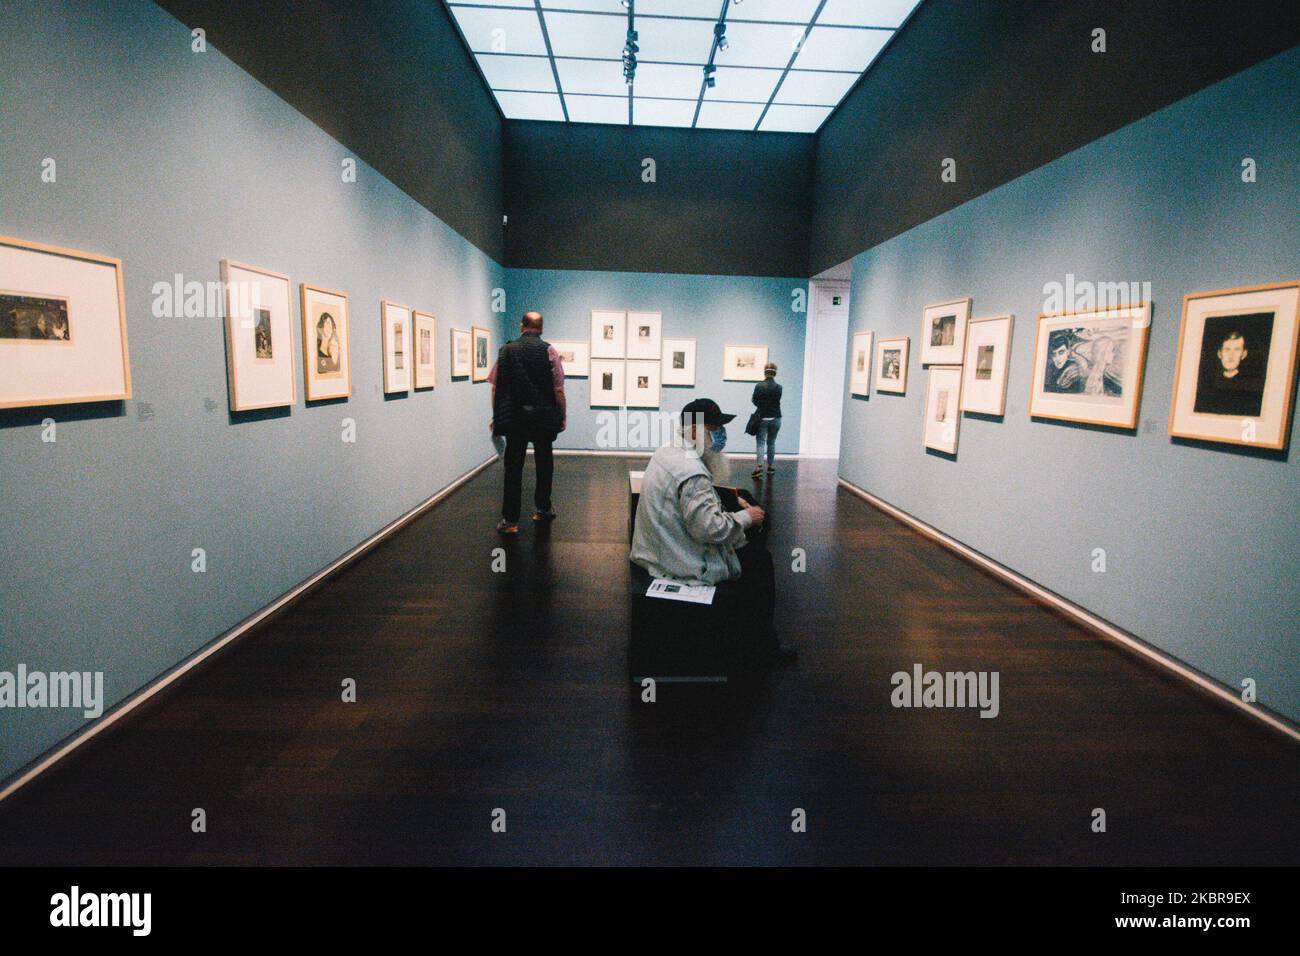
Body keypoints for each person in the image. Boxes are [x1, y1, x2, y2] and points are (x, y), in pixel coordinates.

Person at [630, 398, 794, 664]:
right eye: (714, 428)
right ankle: (762, 645)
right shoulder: (693, 471)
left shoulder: (669, 451)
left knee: (743, 509)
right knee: (760, 561)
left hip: (654, 547)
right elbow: (710, 529)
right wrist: (746, 517)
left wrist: (728, 501)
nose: (720, 435)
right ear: (694, 430)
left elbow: (688, 497)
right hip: (676, 559)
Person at [488, 311, 567, 534]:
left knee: (513, 467)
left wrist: (497, 416)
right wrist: (562, 415)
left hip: (515, 418)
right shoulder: (549, 351)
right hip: (543, 417)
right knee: (544, 463)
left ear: (522, 326)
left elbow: (495, 387)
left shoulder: (506, 351)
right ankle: (542, 509)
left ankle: (510, 520)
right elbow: (558, 388)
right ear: (541, 328)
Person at [750, 361, 782, 478]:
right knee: (771, 442)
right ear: (775, 373)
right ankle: (771, 467)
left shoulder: (759, 386)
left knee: (760, 443)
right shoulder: (779, 387)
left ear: (764, 372)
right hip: (776, 418)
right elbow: (776, 401)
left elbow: (754, 401)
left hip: (762, 417)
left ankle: (759, 467)